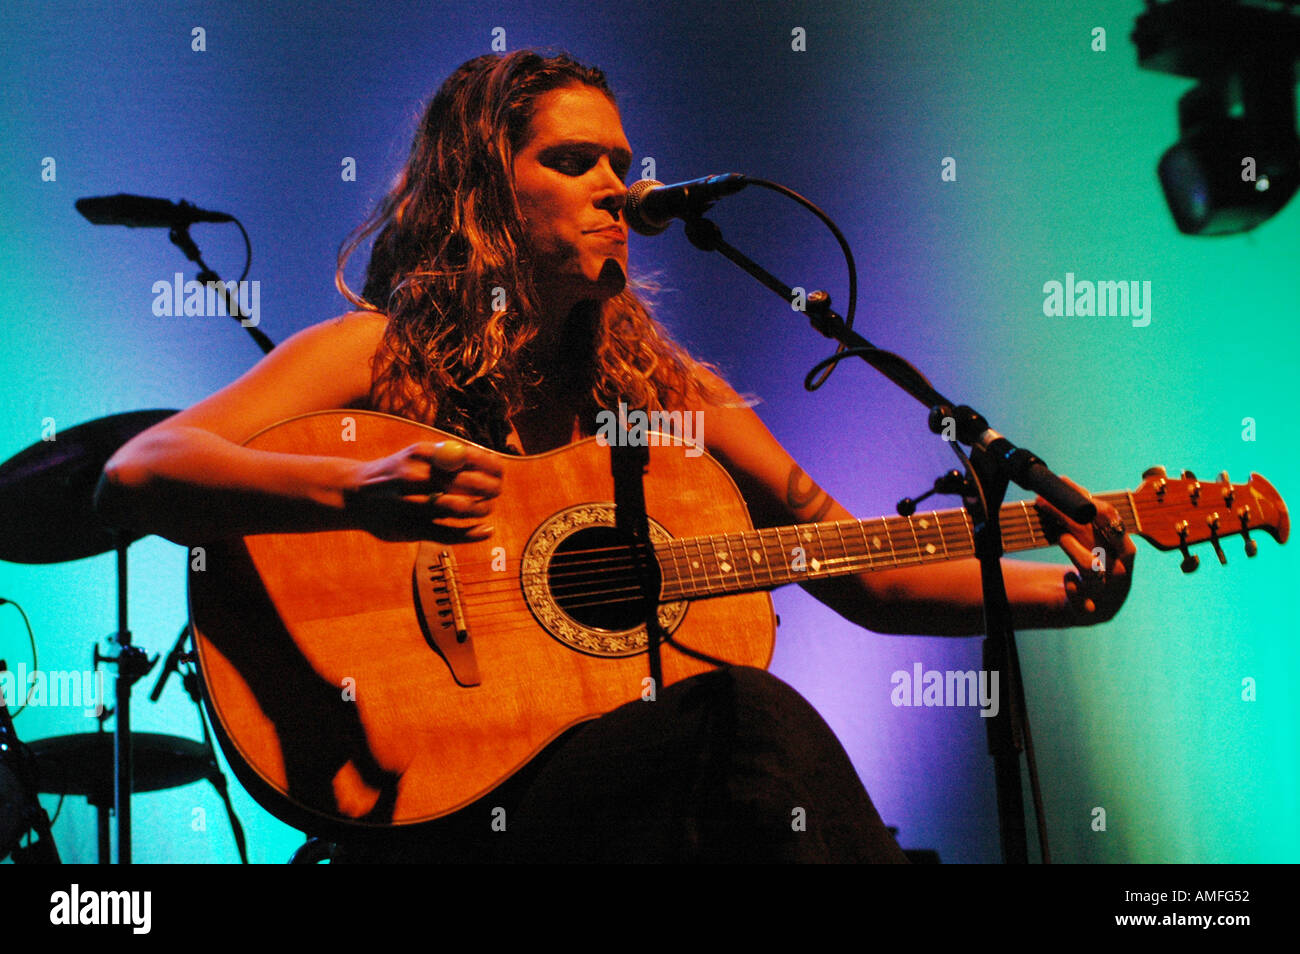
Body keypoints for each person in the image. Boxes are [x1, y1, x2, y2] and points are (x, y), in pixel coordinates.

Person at [96, 50, 1135, 863]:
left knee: (742, 733)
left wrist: (1062, 595)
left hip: (618, 800)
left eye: (618, 162)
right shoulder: (376, 353)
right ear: (483, 189)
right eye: (571, 160)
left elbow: (857, 572)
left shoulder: (675, 396)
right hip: (443, 801)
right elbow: (140, 469)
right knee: (744, 716)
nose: (616, 186)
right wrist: (356, 491)